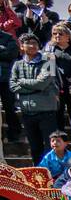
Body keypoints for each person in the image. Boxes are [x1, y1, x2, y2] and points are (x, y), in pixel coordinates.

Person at [9, 33, 60, 163]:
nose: (32, 46)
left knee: (51, 147)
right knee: (34, 147)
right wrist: (34, 86)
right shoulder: (17, 64)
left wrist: (23, 82)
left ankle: (52, 175)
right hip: (27, 112)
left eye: (35, 43)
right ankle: (38, 176)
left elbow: (42, 83)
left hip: (47, 111)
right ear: (22, 46)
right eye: (28, 43)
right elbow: (13, 86)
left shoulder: (49, 59)